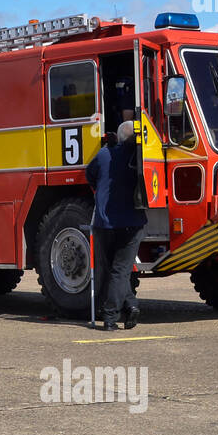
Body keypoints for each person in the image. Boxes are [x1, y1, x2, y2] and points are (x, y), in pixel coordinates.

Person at [85, 121, 148, 330]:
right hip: (132, 222)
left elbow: (90, 174)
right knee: (120, 270)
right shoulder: (140, 157)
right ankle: (113, 316)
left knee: (114, 269)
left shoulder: (104, 154)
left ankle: (128, 307)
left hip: (105, 222)